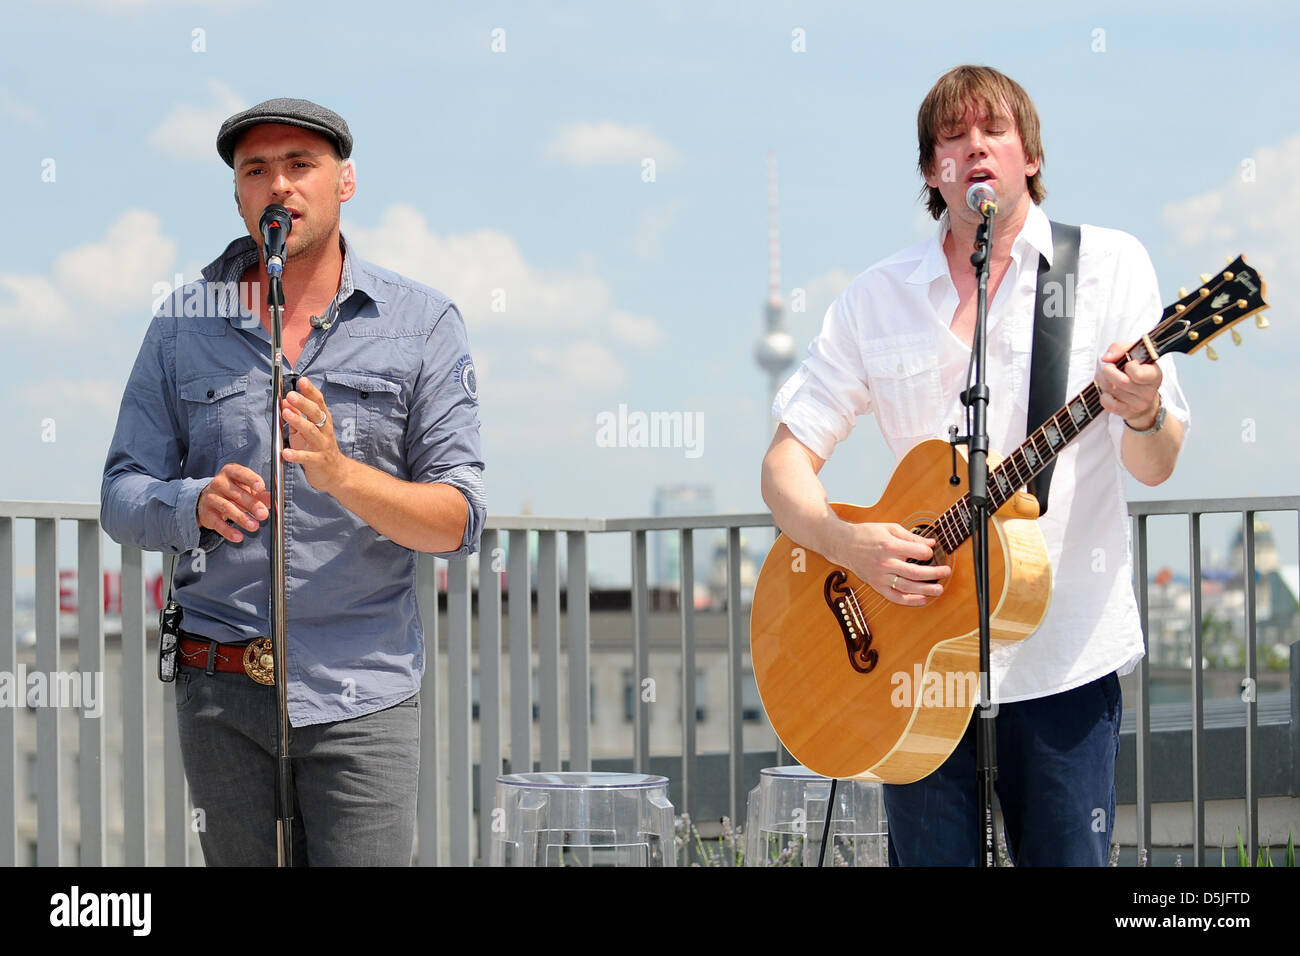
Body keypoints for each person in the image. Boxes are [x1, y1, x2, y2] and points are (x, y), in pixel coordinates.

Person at [760, 65, 1189, 866]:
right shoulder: (874, 298)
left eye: (995, 131)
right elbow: (784, 467)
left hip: (1063, 661)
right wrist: (847, 545)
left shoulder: (1106, 267)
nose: (976, 148)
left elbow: (1157, 463)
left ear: (1030, 156)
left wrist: (1145, 409)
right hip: (907, 671)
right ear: (933, 171)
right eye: (953, 138)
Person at [101, 98, 486, 866]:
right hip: (220, 693)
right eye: (257, 170)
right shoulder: (181, 325)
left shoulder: (422, 323)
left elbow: (458, 522)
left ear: (344, 182)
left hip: (362, 697)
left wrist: (342, 475)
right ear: (238, 195)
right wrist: (191, 504)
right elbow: (121, 493)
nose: (279, 185)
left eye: (299, 165)